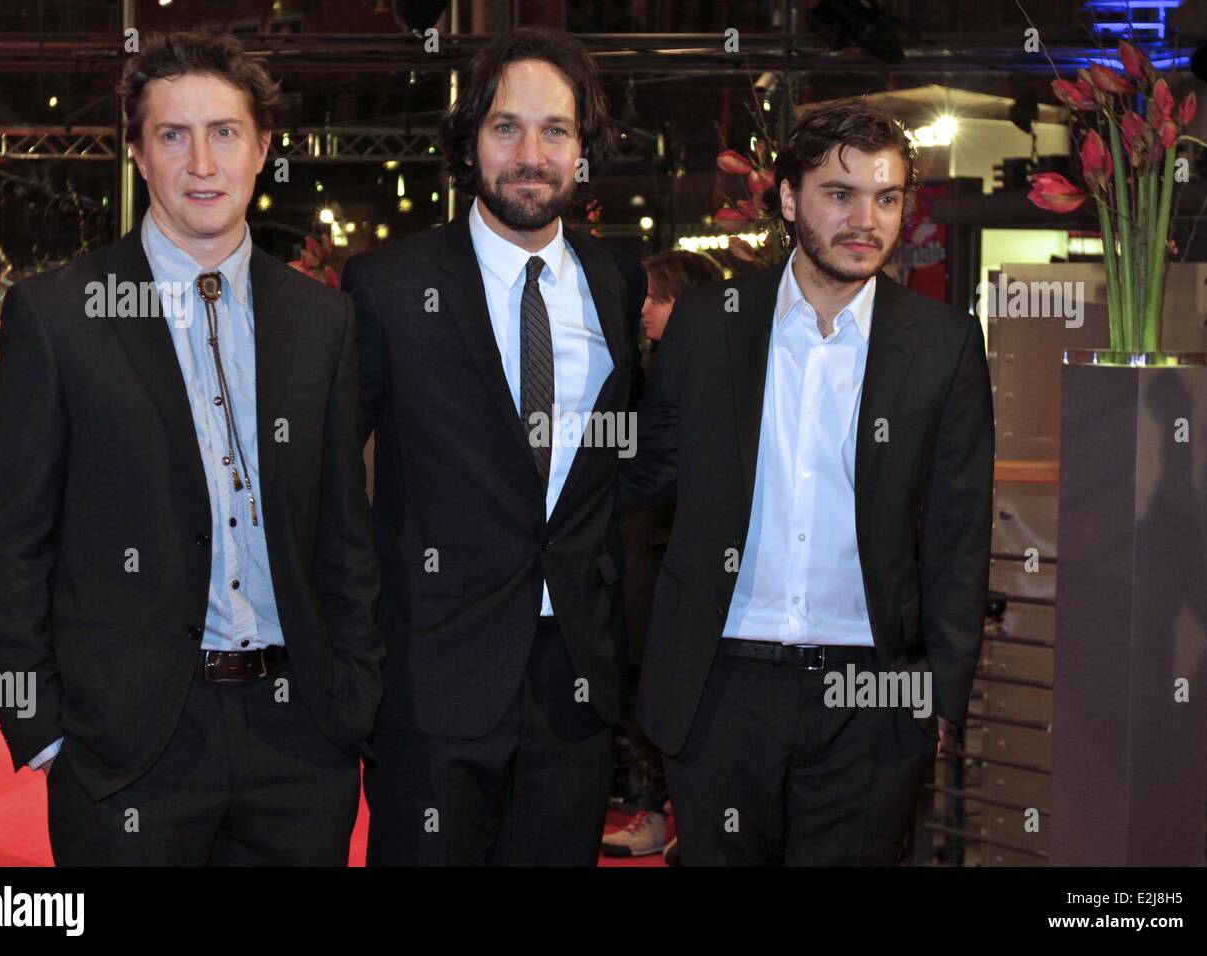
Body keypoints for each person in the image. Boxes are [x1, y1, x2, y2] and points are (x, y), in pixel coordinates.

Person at [0, 29, 384, 865]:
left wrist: (355, 698)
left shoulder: (323, 321)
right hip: (127, 749)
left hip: (298, 742)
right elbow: (7, 538)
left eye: (224, 132)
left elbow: (344, 534)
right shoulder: (58, 314)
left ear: (262, 148)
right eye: (172, 134)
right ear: (138, 155)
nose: (202, 161)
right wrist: (42, 729)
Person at [620, 99, 995, 865]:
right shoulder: (707, 321)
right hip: (720, 679)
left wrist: (935, 695)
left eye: (887, 198)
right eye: (841, 194)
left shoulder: (943, 343)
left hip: (871, 693)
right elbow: (644, 472)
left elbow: (960, 527)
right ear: (789, 199)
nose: (867, 220)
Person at [341, 26, 645, 866]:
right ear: (470, 140)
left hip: (574, 684)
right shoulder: (391, 287)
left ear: (584, 150)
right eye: (505, 127)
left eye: (556, 131)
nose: (530, 154)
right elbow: (330, 486)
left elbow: (612, 473)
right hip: (431, 678)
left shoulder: (617, 282)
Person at [605, 250, 721, 860]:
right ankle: (663, 813)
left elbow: (656, 469)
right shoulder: (650, 367)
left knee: (661, 694)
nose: (644, 308)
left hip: (665, 567)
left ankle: (676, 817)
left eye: (657, 297)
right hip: (640, 560)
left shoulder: (700, 375)